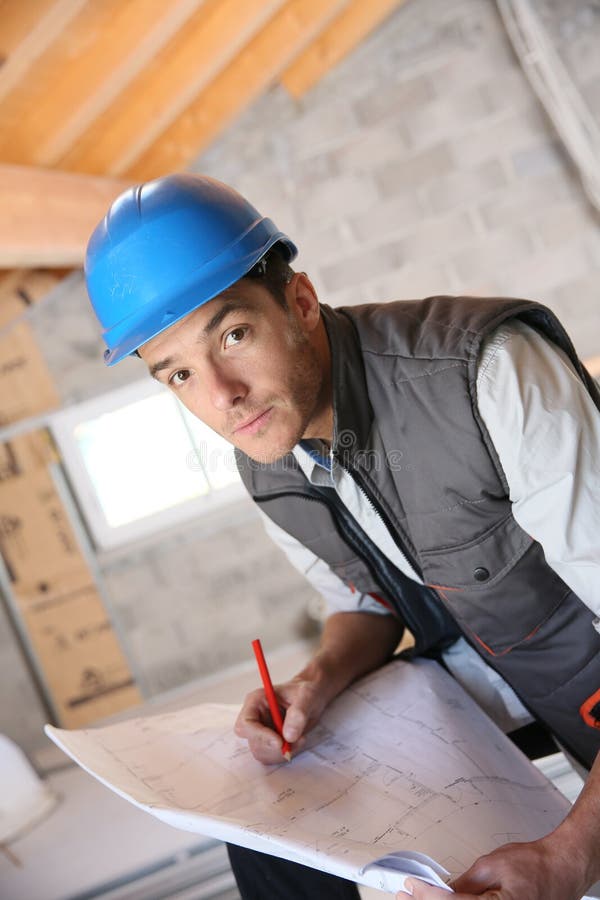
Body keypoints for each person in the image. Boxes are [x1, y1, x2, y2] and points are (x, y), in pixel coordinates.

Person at [85, 173, 600, 900]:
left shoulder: (485, 375)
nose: (222, 397)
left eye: (234, 335)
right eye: (179, 375)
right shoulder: (269, 459)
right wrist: (315, 682)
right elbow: (366, 600)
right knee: (274, 830)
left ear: (298, 303)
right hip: (498, 675)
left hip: (586, 679)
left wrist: (570, 856)